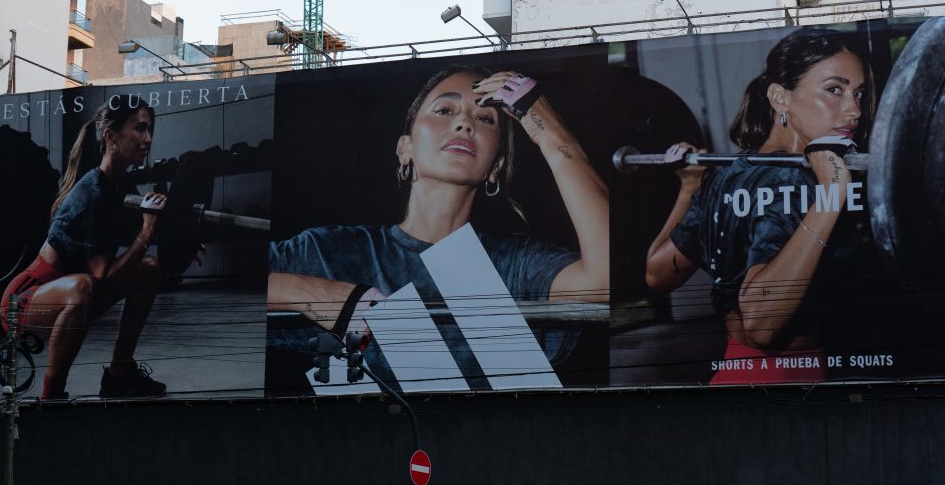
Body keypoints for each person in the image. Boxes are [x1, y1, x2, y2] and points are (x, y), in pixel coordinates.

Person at [267, 66, 609, 382]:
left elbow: (604, 280)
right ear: (405, 149)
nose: (464, 124)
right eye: (445, 110)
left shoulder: (516, 265)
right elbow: (222, 292)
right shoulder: (329, 253)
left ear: (496, 167)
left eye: (485, 118)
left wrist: (550, 131)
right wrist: (313, 294)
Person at [645, 29, 876, 384]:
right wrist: (832, 192)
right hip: (788, 381)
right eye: (835, 89)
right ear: (780, 98)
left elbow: (657, 275)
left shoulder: (728, 174)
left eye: (858, 93)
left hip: (733, 372)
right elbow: (761, 326)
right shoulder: (795, 181)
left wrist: (689, 188)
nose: (854, 109)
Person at [0, 98, 169, 399]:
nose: (148, 139)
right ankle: (51, 397)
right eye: (140, 129)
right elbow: (104, 276)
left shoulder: (119, 183)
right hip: (23, 303)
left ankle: (119, 374)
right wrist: (146, 233)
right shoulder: (92, 194)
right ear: (111, 136)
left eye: (150, 129)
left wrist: (176, 238)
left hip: (71, 297)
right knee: (84, 285)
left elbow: (136, 246)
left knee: (149, 269)